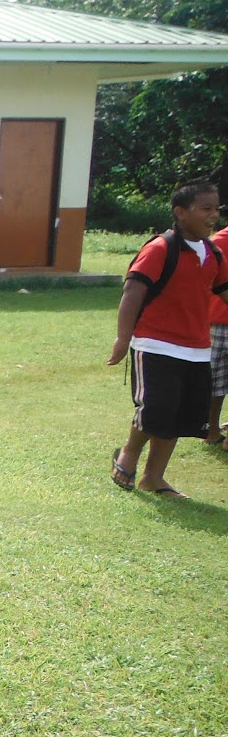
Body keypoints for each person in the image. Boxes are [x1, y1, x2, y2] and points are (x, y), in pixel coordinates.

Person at [108, 180, 228, 499]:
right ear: (180, 212)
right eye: (205, 208)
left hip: (198, 350)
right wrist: (123, 339)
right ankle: (128, 455)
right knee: (157, 408)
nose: (213, 215)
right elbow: (133, 292)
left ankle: (154, 478)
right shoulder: (161, 248)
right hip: (156, 344)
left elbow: (223, 291)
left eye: (216, 208)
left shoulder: (213, 252)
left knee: (179, 416)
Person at [208, 223, 228, 447]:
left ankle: (213, 431)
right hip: (215, 321)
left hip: (214, 321)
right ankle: (211, 430)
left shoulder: (216, 242)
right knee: (213, 383)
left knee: (214, 382)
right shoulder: (217, 243)